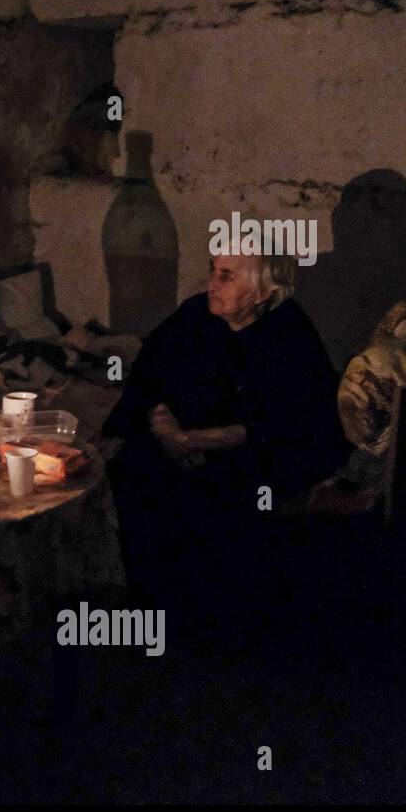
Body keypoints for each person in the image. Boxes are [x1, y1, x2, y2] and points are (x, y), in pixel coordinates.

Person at [103, 247, 350, 613]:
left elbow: (283, 424)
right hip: (180, 434)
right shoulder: (195, 313)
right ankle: (145, 599)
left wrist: (192, 441)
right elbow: (150, 369)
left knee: (217, 491)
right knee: (132, 465)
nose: (212, 284)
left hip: (259, 452)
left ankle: (214, 613)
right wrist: (161, 424)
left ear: (264, 293)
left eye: (227, 276)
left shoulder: (289, 335)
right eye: (214, 270)